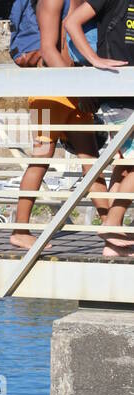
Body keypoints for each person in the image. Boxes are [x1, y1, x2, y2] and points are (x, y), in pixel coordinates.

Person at [10, 0, 110, 251]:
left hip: (74, 89)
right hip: (48, 91)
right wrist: (77, 90)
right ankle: (20, 231)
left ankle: (111, 227)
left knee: (91, 161)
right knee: (42, 156)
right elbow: (48, 50)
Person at [67, 0, 134, 258]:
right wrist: (93, 59)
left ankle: (113, 243)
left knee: (125, 167)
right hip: (116, 94)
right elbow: (71, 22)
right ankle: (112, 224)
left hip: (129, 92)